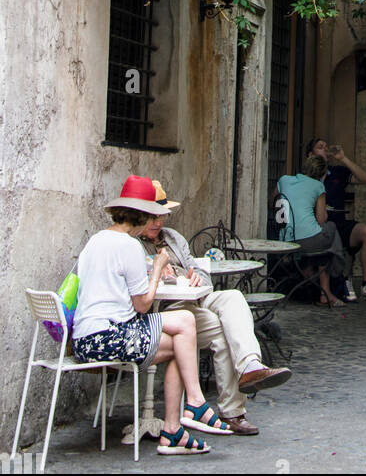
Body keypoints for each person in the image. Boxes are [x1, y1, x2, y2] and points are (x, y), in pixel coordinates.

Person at [72, 174, 231, 456]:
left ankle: (178, 424)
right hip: (109, 337)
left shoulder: (95, 241)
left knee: (185, 322)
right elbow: (143, 304)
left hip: (86, 336)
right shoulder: (130, 246)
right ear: (143, 216)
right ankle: (186, 413)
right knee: (183, 340)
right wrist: (157, 268)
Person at [137, 180, 291, 437]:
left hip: (194, 300)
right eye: (151, 217)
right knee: (221, 330)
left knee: (232, 297)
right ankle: (232, 412)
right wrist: (161, 273)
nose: (157, 222)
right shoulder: (133, 245)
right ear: (139, 216)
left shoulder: (173, 238)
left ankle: (251, 366)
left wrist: (196, 276)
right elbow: (138, 287)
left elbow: (200, 273)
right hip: (165, 310)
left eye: (161, 216)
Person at [306, 138, 366, 302]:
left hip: (339, 223)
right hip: (317, 226)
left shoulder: (337, 171)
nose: (325, 149)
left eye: (326, 147)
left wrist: (343, 158)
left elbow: (365, 179)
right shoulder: (305, 178)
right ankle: (341, 281)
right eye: (320, 147)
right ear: (310, 155)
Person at [275, 155, 346, 307]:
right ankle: (333, 280)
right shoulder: (318, 186)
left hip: (285, 238)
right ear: (322, 175)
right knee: (330, 228)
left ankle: (309, 276)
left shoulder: (284, 180)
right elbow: (321, 218)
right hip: (309, 240)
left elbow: (273, 201)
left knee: (322, 242)